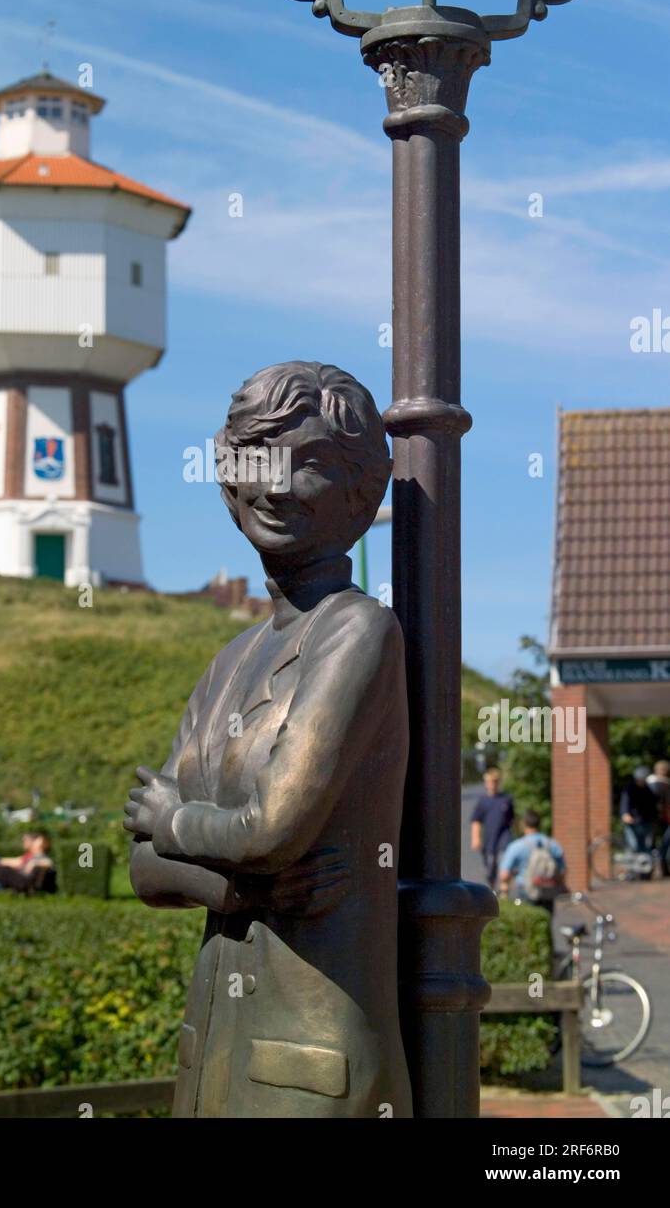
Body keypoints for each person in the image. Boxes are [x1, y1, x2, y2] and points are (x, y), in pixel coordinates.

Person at [124, 361, 413, 1119]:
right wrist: (239, 888)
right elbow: (142, 870)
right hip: (213, 1056)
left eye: (312, 464)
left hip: (308, 1070)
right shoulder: (229, 660)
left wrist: (175, 823)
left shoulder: (357, 630)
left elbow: (270, 831)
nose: (277, 486)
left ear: (360, 494)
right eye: (258, 458)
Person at [498, 810, 567, 912]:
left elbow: (503, 875)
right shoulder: (552, 844)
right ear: (539, 824)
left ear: (524, 824)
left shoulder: (516, 846)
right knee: (545, 921)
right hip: (548, 891)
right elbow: (563, 870)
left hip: (526, 891)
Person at [0, 829, 55, 895]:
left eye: (31, 840)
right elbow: (16, 862)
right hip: (20, 878)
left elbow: (49, 862)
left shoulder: (39, 856)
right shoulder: (28, 856)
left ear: (40, 842)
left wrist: (34, 863)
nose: (25, 842)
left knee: (1, 871)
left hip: (23, 881)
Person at [470, 767, 515, 890]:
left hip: (504, 838)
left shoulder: (506, 799)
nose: (492, 784)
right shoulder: (483, 801)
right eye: (489, 781)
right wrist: (475, 838)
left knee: (504, 863)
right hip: (489, 840)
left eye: (495, 781)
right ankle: (493, 892)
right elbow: (476, 820)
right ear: (486, 783)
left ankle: (504, 891)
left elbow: (513, 820)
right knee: (490, 868)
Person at [620, 767, 659, 868]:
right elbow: (625, 802)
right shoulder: (630, 788)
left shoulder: (648, 789)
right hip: (633, 822)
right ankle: (631, 870)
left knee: (646, 847)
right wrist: (625, 814)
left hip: (646, 822)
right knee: (633, 846)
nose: (641, 781)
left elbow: (653, 805)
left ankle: (645, 871)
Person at [646, 760, 670, 878]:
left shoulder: (649, 782)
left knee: (651, 843)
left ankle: (649, 871)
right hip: (660, 818)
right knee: (661, 844)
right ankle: (662, 870)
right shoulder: (663, 784)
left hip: (652, 818)